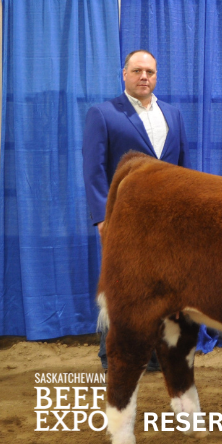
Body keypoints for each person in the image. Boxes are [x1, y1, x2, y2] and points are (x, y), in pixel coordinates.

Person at [83, 49, 188, 371]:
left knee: (163, 288)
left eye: (151, 72)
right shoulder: (102, 114)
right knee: (123, 287)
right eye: (138, 71)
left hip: (167, 220)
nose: (145, 77)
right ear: (125, 74)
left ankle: (155, 356)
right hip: (124, 219)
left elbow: (182, 168)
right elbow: (94, 169)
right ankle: (113, 355)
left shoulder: (173, 114)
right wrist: (102, 217)